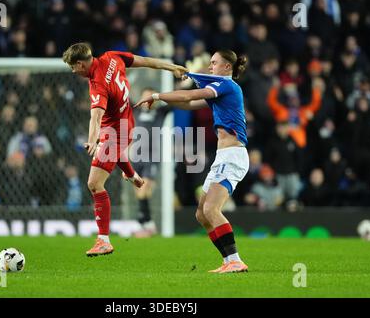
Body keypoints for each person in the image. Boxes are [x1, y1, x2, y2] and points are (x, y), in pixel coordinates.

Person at [62, 42, 187, 257]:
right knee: (108, 163)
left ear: (81, 64)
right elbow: (146, 61)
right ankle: (132, 174)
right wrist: (172, 67)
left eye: (73, 67)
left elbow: (96, 116)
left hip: (114, 132)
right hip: (126, 124)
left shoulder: (97, 83)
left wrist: (93, 140)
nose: (73, 71)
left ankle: (103, 240)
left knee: (94, 183)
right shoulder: (112, 56)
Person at [136, 50, 249, 274]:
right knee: (201, 214)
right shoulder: (220, 92)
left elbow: (188, 96)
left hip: (233, 156)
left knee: (211, 208)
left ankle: (235, 260)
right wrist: (165, 101)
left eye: (214, 63)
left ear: (227, 67)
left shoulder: (226, 85)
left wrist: (157, 96)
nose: (210, 67)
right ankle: (229, 260)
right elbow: (189, 104)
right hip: (223, 157)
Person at [131, 87, 170, 238]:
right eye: (145, 97)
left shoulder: (160, 112)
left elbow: (176, 102)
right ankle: (147, 224)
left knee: (143, 190)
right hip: (135, 157)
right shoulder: (135, 110)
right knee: (140, 194)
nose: (147, 100)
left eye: (150, 98)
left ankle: (145, 223)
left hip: (152, 157)